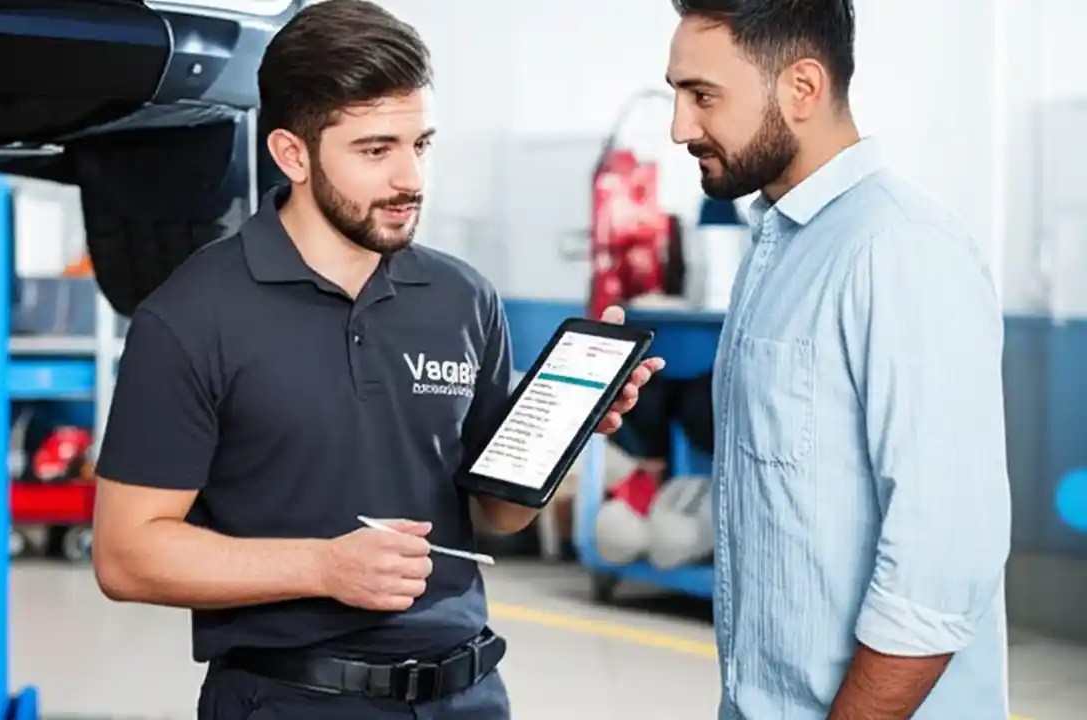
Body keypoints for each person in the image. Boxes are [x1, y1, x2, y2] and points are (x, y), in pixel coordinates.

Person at [88, 1, 663, 718]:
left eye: (421, 144)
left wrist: (560, 432)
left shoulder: (462, 297)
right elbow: (124, 554)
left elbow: (496, 516)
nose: (409, 178)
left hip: (469, 695)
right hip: (293, 700)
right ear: (292, 154)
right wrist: (322, 567)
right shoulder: (191, 316)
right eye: (375, 149)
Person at [664, 1, 1012, 719]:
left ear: (802, 88)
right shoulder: (774, 247)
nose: (679, 128)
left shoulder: (900, 250)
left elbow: (939, 569)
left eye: (702, 96)